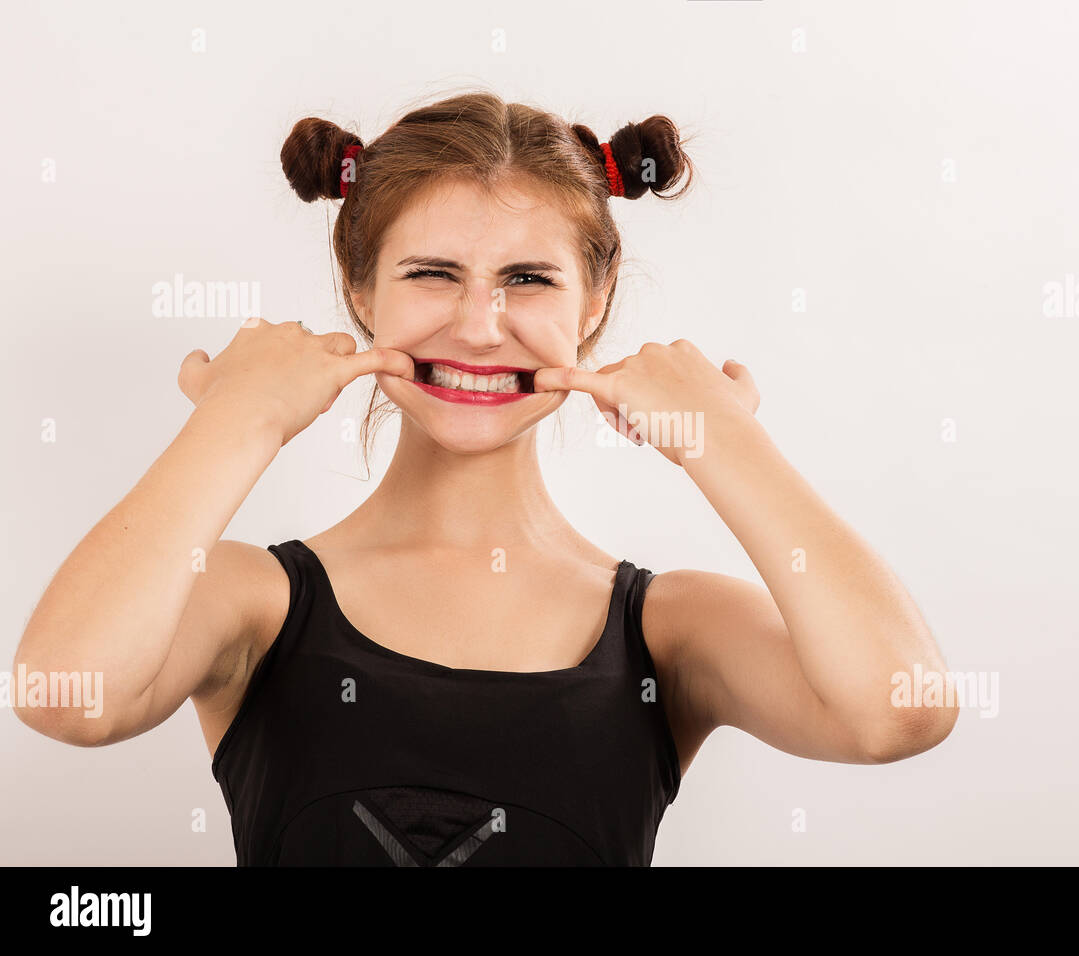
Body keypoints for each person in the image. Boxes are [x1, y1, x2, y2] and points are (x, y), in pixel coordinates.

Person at [14, 90, 958, 866]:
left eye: (530, 280)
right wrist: (234, 421)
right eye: (431, 273)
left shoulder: (668, 631)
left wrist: (719, 437)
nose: (478, 325)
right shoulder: (251, 600)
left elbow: (900, 712)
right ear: (359, 289)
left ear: (595, 303)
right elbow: (64, 695)